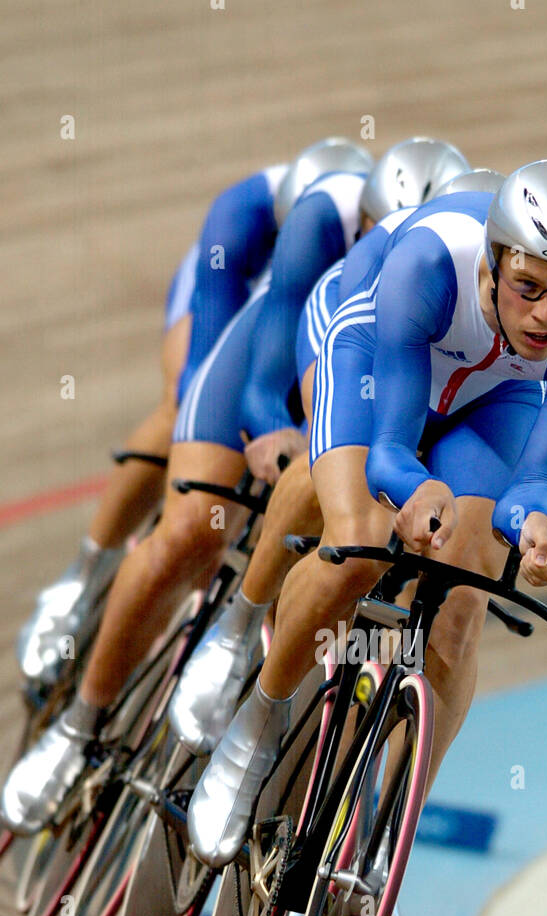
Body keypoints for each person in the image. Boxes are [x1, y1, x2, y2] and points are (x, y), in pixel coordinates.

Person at [186, 160, 547, 916]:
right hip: (366, 341)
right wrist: (413, 488)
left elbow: (533, 478)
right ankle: (255, 726)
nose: (545, 315)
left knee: (462, 607)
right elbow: (395, 451)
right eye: (529, 287)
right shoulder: (431, 263)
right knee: (359, 542)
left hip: (489, 396)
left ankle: (377, 862)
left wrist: (534, 522)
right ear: (495, 261)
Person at [0, 137, 374, 833]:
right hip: (236, 307)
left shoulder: (389, 271)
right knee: (185, 436)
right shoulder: (248, 214)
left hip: (317, 343)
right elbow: (213, 349)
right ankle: (86, 589)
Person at [168, 138, 474, 756]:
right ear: (361, 224)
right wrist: (266, 432)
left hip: (386, 377)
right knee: (199, 516)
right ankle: (198, 624)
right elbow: (264, 381)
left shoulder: (452, 290)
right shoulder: (318, 229)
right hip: (297, 341)